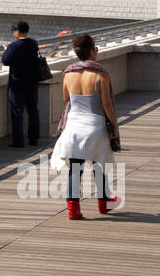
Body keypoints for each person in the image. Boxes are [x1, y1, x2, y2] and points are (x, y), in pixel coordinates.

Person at [51, 33, 120, 219]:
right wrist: (115, 129)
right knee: (100, 166)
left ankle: (73, 209)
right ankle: (104, 203)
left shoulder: (68, 73)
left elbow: (67, 99)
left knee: (75, 168)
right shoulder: (100, 75)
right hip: (95, 126)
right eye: (95, 48)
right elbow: (107, 105)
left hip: (73, 126)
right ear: (91, 51)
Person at [1, 21, 41, 148]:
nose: (14, 33)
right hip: (32, 81)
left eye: (14, 31)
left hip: (17, 82)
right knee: (33, 110)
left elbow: (5, 60)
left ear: (17, 31)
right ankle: (33, 139)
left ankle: (18, 141)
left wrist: (6, 50)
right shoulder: (33, 44)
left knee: (17, 111)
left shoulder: (14, 45)